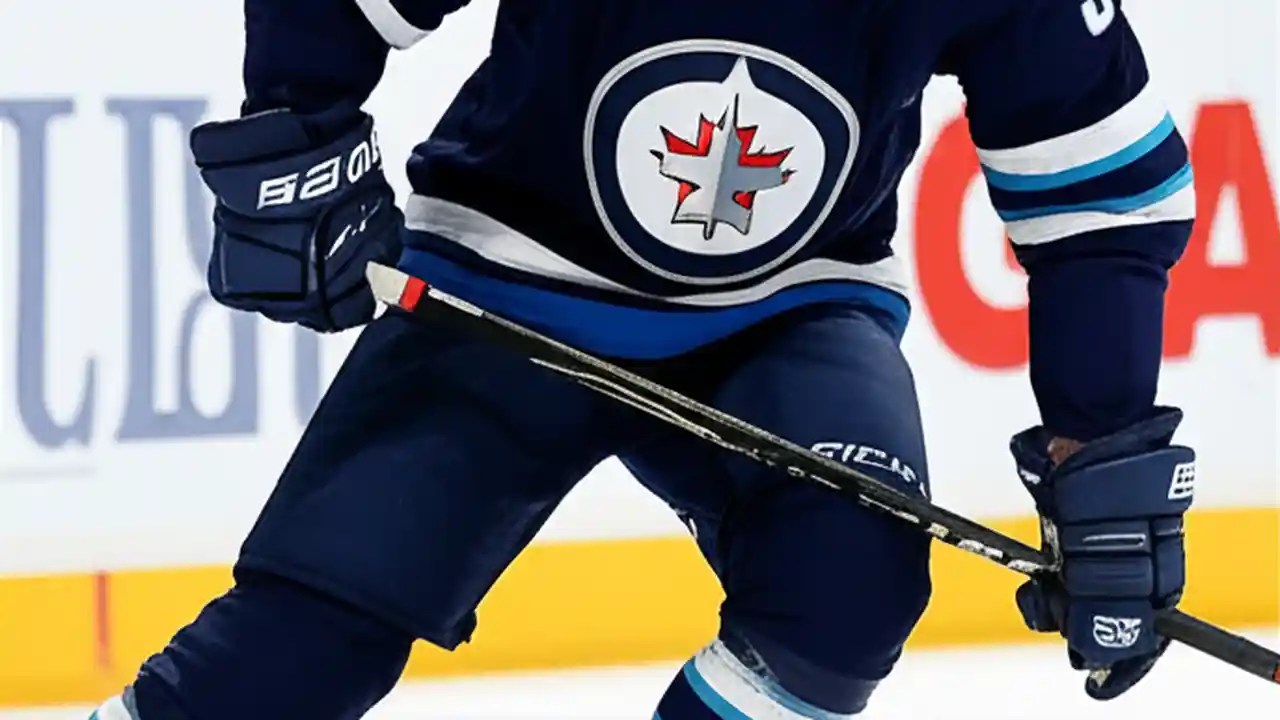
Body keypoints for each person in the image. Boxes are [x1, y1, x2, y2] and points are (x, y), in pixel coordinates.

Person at [91, 1, 1198, 718]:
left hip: (787, 310)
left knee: (842, 594)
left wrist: (1097, 439)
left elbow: (1096, 188)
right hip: (502, 272)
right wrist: (299, 127)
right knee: (297, 650)